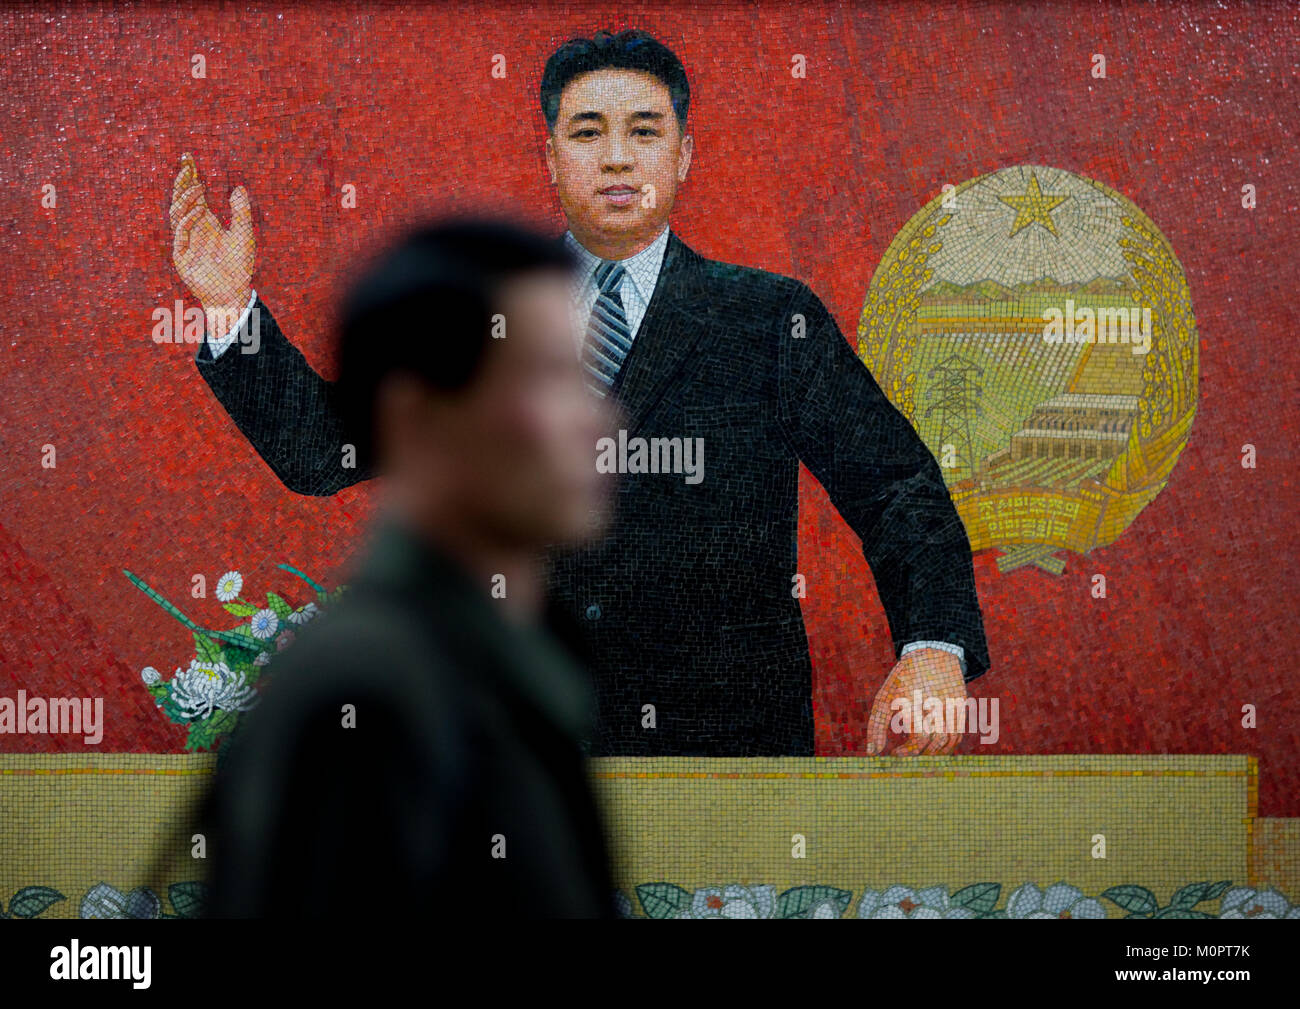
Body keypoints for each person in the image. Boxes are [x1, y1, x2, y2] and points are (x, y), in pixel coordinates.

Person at [171, 29, 992, 759]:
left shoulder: (771, 318)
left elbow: (897, 486)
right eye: (588, 132)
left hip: (726, 757)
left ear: (685, 154)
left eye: (645, 130)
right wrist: (229, 308)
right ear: (551, 157)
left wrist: (933, 645)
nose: (617, 158)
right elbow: (324, 450)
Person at [198, 220, 620, 917]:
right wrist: (226, 308)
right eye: (547, 379)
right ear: (419, 418)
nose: (599, 423)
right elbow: (315, 448)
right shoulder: (363, 689)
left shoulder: (529, 654)